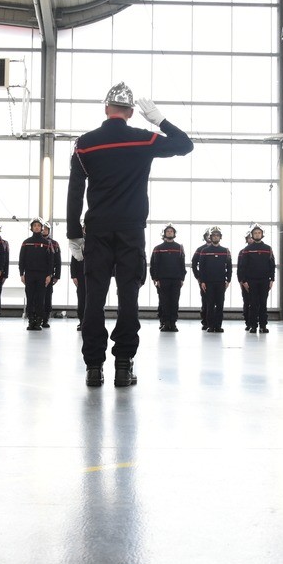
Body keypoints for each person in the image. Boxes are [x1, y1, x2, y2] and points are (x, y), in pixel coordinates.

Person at [66, 82, 193, 387]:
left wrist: (74, 234)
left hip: (96, 231)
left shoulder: (85, 144)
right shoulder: (143, 139)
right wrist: (159, 120)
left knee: (93, 299)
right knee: (129, 298)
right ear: (133, 112)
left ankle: (94, 367)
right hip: (130, 231)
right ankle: (123, 365)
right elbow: (184, 144)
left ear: (106, 108)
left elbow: (75, 191)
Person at [238, 224, 275, 333]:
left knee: (263, 303)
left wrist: (272, 279)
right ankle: (253, 325)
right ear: (252, 235)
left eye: (259, 233)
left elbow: (272, 265)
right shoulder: (247, 249)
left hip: (264, 280)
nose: (257, 234)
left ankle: (263, 325)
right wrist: (244, 281)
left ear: (262, 234)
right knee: (253, 304)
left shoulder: (268, 249)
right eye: (255, 233)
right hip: (251, 281)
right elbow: (242, 266)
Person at [150, 223, 186, 332]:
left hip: (176, 280)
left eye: (171, 231)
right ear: (164, 234)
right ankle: (165, 323)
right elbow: (154, 264)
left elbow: (182, 264)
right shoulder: (158, 248)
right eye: (168, 231)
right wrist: (155, 278)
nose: (170, 232)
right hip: (162, 280)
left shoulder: (179, 248)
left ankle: (173, 323)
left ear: (174, 234)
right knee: (164, 302)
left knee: (174, 302)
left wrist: (182, 278)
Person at [196, 227, 232, 334]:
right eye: (214, 235)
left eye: (217, 235)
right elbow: (201, 267)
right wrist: (202, 281)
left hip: (221, 282)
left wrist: (228, 280)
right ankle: (210, 325)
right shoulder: (204, 251)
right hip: (208, 283)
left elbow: (229, 267)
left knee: (220, 305)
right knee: (210, 304)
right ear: (210, 237)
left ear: (220, 237)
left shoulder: (225, 251)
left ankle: (218, 326)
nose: (215, 237)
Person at [20, 218, 54, 331]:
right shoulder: (26, 242)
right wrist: (21, 273)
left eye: (39, 226)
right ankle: (31, 321)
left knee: (40, 299)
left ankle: (39, 321)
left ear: (42, 228)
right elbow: (22, 259)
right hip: (29, 274)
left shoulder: (47, 243)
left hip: (42, 275)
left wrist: (49, 275)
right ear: (31, 227)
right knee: (30, 298)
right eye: (34, 225)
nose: (36, 227)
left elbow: (51, 261)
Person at [40, 222, 61, 328]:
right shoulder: (34, 242)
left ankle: (45, 318)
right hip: (37, 274)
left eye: (46, 229)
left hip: (49, 275)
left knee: (48, 296)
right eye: (42, 228)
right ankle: (36, 317)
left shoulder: (54, 243)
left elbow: (58, 261)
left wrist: (57, 275)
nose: (44, 230)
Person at [192, 229, 210, 330]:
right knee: (205, 301)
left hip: (217, 280)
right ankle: (205, 322)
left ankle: (214, 321)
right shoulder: (200, 249)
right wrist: (198, 277)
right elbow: (194, 264)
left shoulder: (221, 249)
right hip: (204, 280)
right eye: (208, 235)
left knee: (216, 302)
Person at [238, 231, 255, 331]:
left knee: (256, 303)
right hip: (245, 281)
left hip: (257, 281)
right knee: (247, 302)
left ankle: (255, 321)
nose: (251, 239)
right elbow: (240, 268)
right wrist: (241, 281)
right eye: (249, 238)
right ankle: (248, 322)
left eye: (251, 237)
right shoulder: (242, 252)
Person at [70, 251, 86, 331]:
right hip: (81, 277)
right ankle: (82, 321)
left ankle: (92, 322)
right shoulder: (78, 247)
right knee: (81, 300)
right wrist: (74, 276)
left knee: (94, 301)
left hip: (93, 277)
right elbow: (73, 262)